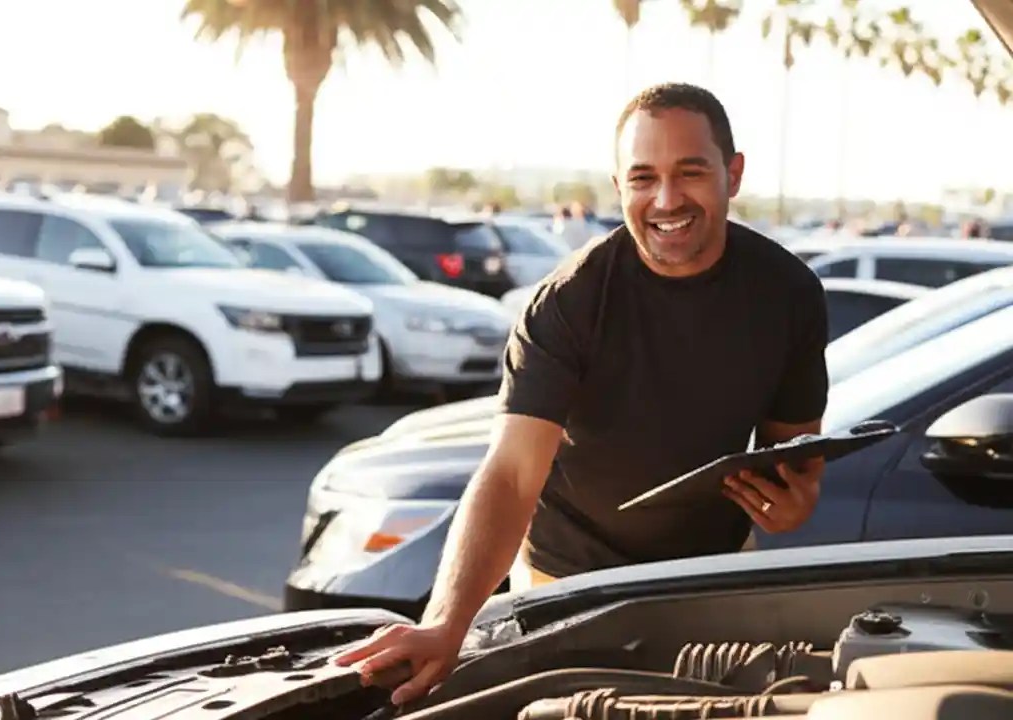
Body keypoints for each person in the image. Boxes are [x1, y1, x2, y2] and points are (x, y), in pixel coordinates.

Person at [332, 82, 830, 706]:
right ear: (619, 186)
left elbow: (795, 451)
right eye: (643, 177)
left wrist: (795, 501)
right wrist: (445, 622)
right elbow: (513, 475)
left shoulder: (789, 292)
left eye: (691, 172)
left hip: (714, 579)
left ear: (733, 173)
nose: (666, 199)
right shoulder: (567, 302)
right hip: (566, 585)